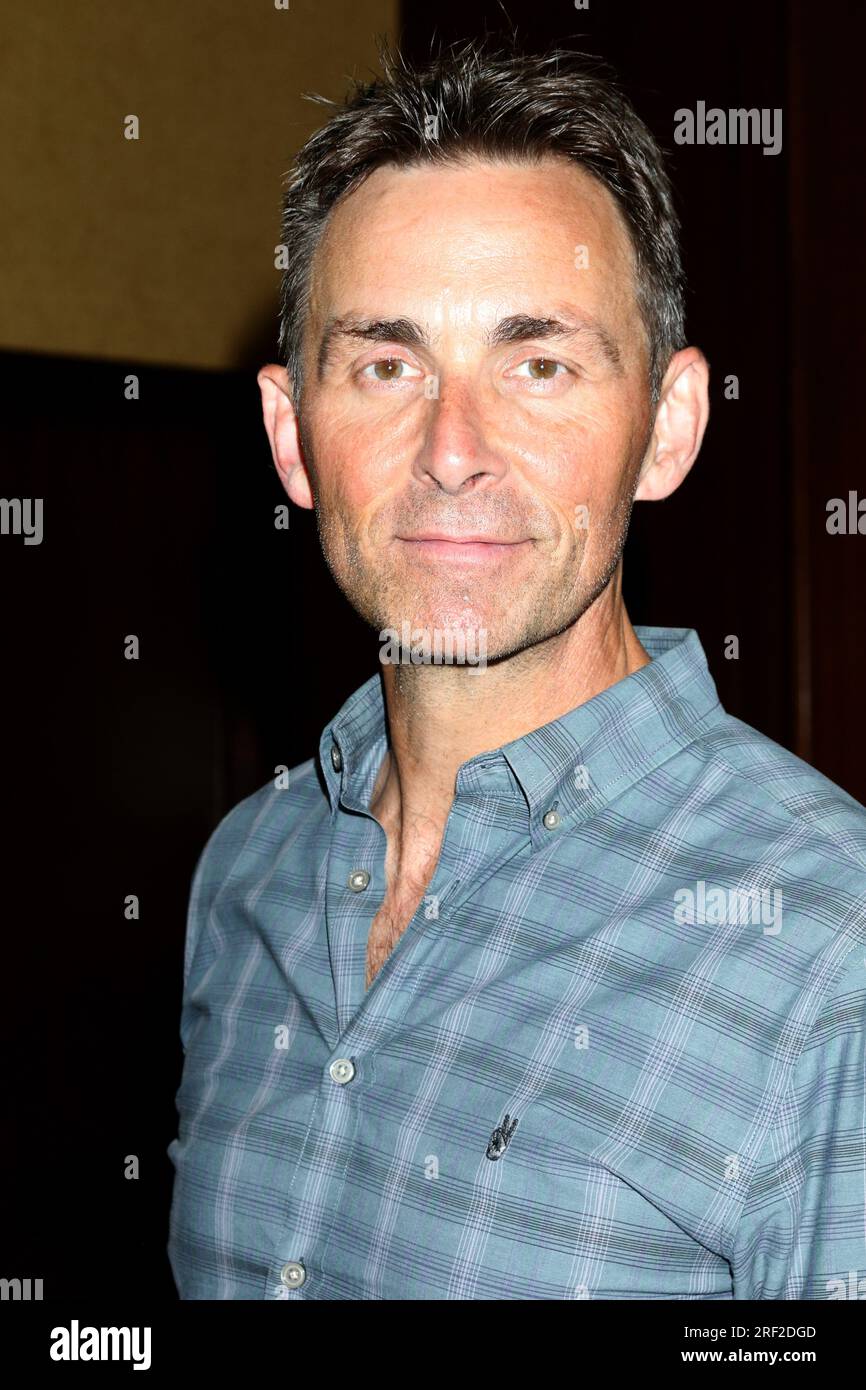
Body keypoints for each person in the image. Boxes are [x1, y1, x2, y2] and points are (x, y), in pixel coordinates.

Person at [166, 38, 866, 1300]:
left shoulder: (833, 948)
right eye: (386, 364)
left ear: (666, 426)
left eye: (536, 364)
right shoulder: (246, 870)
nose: (451, 449)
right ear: (291, 436)